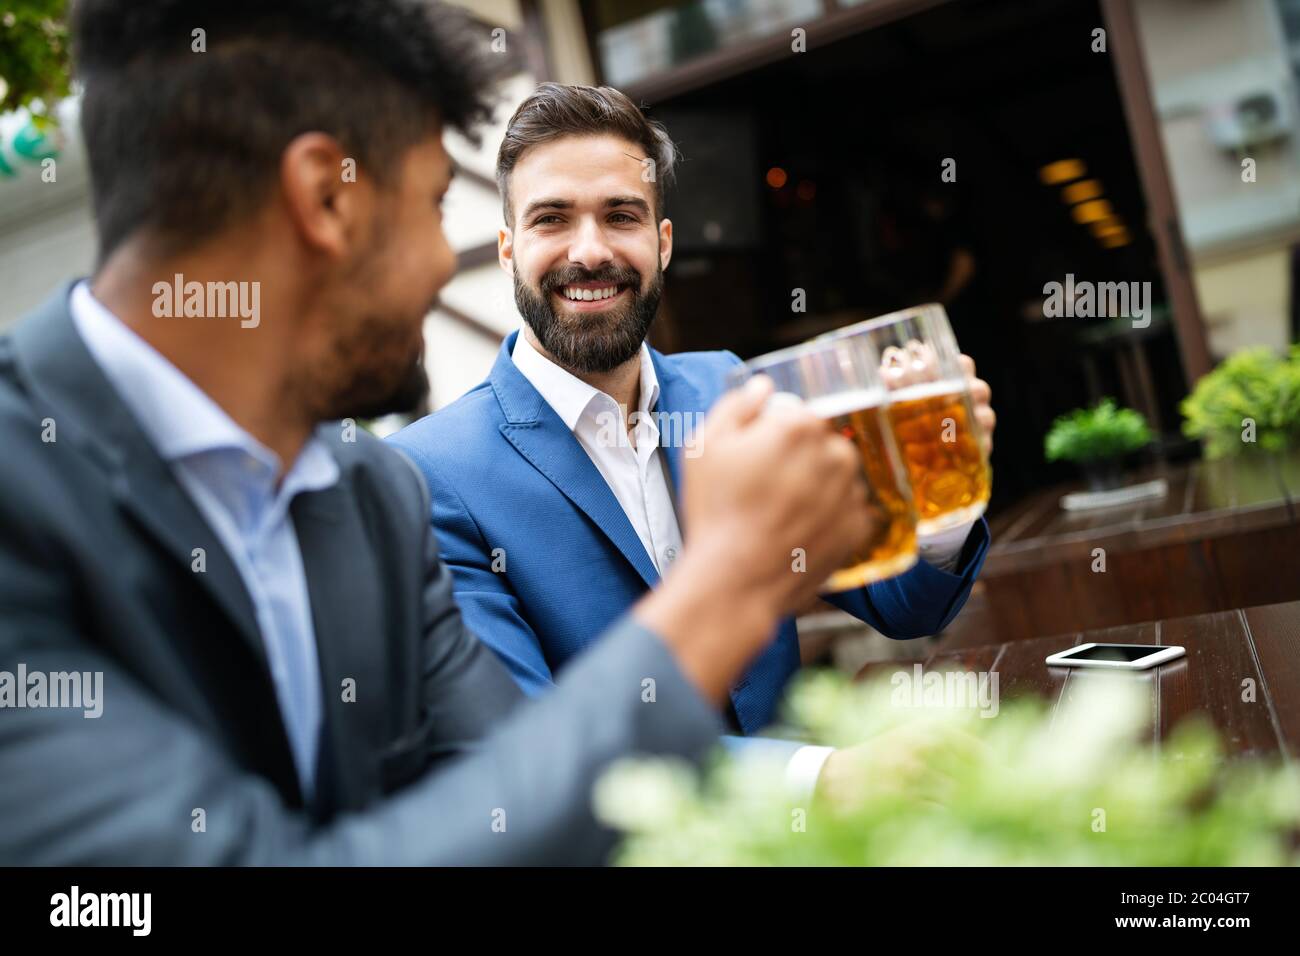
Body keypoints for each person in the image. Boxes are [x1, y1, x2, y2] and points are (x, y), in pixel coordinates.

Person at [0, 0, 873, 865]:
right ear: (325, 198)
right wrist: (724, 592)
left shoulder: (370, 495)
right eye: (432, 204)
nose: (438, 265)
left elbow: (517, 797)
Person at [388, 85, 995, 786]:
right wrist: (822, 779)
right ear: (507, 249)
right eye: (551, 219)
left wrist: (939, 500)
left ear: (663, 242)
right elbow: (527, 750)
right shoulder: (429, 478)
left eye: (621, 216)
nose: (590, 251)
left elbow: (903, 605)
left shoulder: (729, 389)